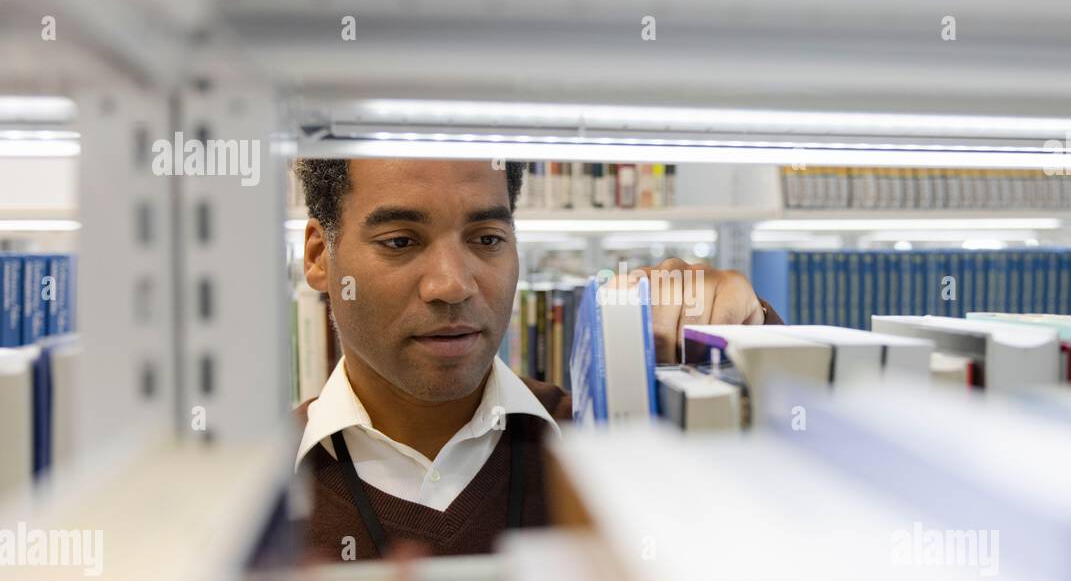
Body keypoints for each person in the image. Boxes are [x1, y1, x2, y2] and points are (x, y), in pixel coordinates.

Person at [292, 158, 783, 559]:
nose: (453, 285)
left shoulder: (605, 436)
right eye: (400, 241)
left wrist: (747, 337)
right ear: (319, 256)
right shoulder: (252, 489)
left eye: (487, 239)